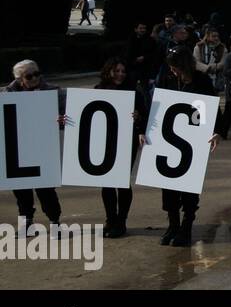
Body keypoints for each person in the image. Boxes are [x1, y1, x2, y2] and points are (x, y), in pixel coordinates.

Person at [154, 50, 222, 247]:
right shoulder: (168, 79)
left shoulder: (201, 81)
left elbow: (214, 107)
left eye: (175, 67)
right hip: (169, 138)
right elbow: (157, 105)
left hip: (194, 138)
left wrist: (217, 131)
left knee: (189, 185)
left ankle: (186, 226)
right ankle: (172, 225)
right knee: (168, 184)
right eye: (171, 68)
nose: (173, 71)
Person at [4, 60, 66, 234]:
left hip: (43, 146)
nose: (35, 78)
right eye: (29, 76)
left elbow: (69, 114)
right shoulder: (8, 94)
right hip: (18, 148)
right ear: (19, 79)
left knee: (46, 189)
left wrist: (61, 119)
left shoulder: (53, 91)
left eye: (37, 74)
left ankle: (55, 222)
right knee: (21, 188)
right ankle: (26, 222)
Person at [93, 58, 148, 238]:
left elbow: (145, 115)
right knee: (107, 181)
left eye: (123, 71)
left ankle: (121, 221)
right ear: (108, 71)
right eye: (116, 71)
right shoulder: (99, 90)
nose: (120, 74)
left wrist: (138, 119)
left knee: (122, 181)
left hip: (127, 140)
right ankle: (111, 220)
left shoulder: (134, 91)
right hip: (105, 140)